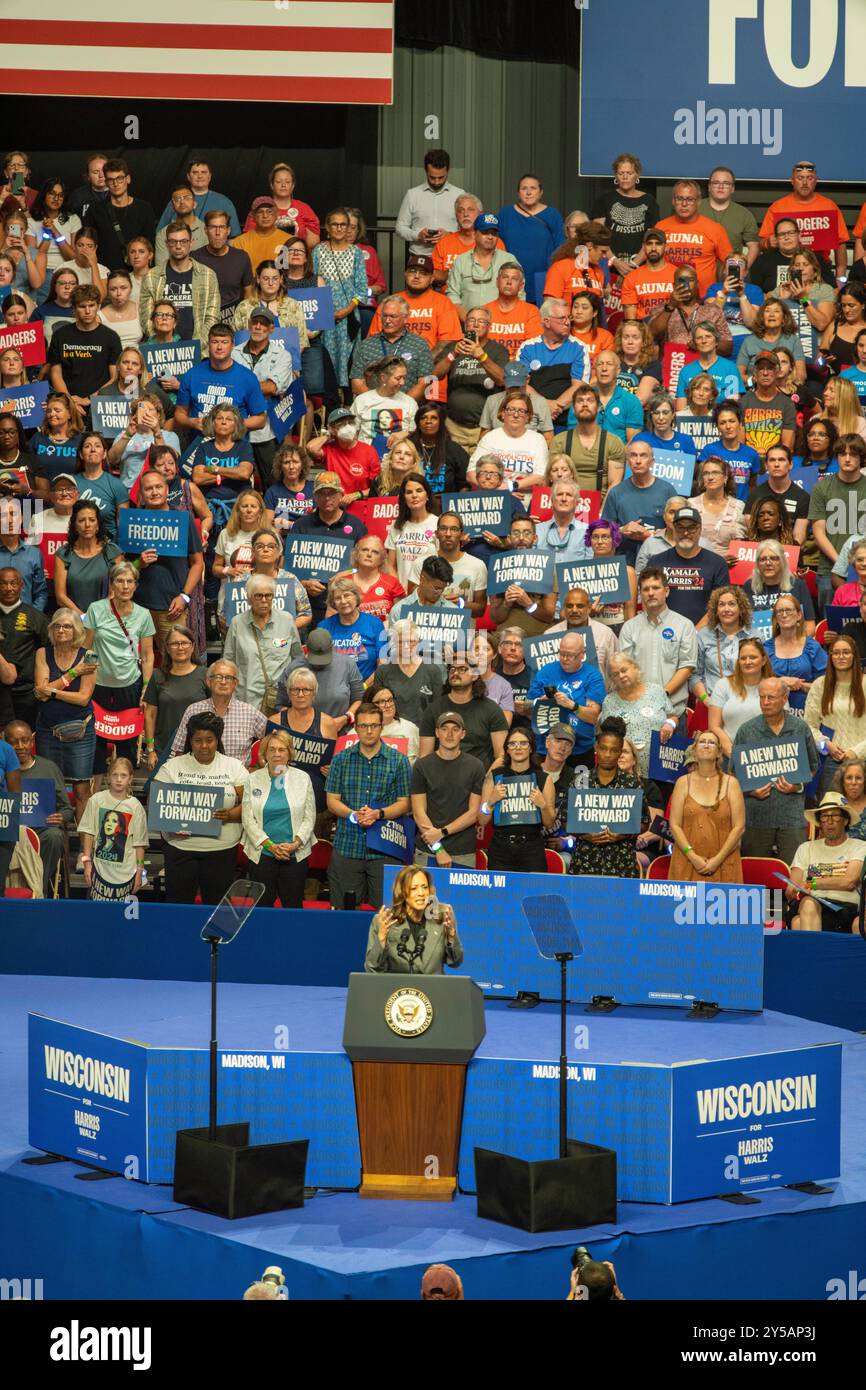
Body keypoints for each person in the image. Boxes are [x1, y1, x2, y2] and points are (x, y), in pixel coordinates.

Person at [155, 711, 249, 905]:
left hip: (222, 851)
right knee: (178, 908)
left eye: (209, 740)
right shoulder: (172, 766)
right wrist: (169, 824)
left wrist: (231, 815)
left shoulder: (234, 766)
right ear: (190, 740)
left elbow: (251, 805)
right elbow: (156, 804)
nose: (204, 746)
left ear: (217, 740)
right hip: (180, 850)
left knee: (215, 909)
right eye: (198, 740)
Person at [326, 699, 412, 910]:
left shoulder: (399, 761)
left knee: (389, 914)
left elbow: (405, 803)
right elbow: (332, 801)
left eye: (374, 725)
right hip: (348, 846)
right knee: (345, 913)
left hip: (385, 848)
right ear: (356, 728)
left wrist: (378, 814)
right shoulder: (341, 760)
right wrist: (354, 815)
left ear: (382, 727)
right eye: (364, 726)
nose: (369, 731)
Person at [79, 560, 154, 776]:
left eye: (130, 581)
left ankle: (125, 788)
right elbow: (87, 648)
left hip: (130, 685)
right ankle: (97, 791)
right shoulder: (96, 609)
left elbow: (148, 656)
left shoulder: (144, 614)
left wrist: (145, 688)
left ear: (136, 586)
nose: (125, 586)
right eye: (120, 581)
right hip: (99, 685)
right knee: (97, 740)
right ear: (111, 584)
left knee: (128, 742)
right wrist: (86, 681)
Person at [731, 676, 819, 860]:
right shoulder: (746, 731)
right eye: (762, 697)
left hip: (791, 816)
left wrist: (798, 786)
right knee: (755, 875)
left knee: (794, 874)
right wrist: (750, 790)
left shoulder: (800, 728)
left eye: (770, 697)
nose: (765, 702)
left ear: (785, 699)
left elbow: (812, 767)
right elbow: (732, 774)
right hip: (757, 816)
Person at [126, 470, 204, 651]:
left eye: (158, 487)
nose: (154, 492)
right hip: (136, 606)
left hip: (171, 607)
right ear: (141, 494)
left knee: (173, 660)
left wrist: (184, 596)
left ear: (167, 490)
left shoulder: (182, 520)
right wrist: (139, 564)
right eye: (148, 489)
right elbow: (120, 566)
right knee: (134, 661)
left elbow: (197, 563)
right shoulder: (132, 521)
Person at [33, 611, 97, 821]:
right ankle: (53, 841)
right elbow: (38, 695)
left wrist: (51, 691)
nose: (61, 630)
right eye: (57, 626)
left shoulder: (88, 655)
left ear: (77, 630)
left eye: (67, 626)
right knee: (47, 786)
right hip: (47, 731)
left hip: (80, 731)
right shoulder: (43, 653)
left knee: (81, 790)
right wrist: (73, 673)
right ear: (51, 629)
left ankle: (84, 844)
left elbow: (83, 699)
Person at [242, 729, 316, 909]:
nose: (277, 754)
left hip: (294, 854)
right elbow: (248, 819)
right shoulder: (252, 779)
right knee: (261, 908)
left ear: (289, 752)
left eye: (282, 749)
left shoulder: (303, 778)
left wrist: (295, 844)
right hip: (263, 854)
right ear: (265, 753)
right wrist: (270, 846)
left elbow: (310, 816)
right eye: (272, 749)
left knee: (292, 906)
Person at [567, 716, 646, 880]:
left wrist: (623, 835)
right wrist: (584, 835)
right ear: (596, 748)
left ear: (619, 752)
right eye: (603, 748)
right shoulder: (581, 781)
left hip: (621, 862)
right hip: (585, 861)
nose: (608, 754)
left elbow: (644, 822)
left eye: (614, 750)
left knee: (621, 904)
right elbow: (567, 820)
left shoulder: (632, 784)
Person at [3, 718, 75, 896]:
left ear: (32, 741)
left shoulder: (48, 768)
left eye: (25, 740)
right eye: (13, 742)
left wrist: (61, 816)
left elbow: (67, 809)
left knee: (54, 835)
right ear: (5, 744)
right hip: (8, 830)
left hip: (39, 828)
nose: (20, 746)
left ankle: (37, 889)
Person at [619, 567, 697, 726]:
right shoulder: (629, 628)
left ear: (666, 591)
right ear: (640, 595)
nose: (651, 593)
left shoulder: (684, 625)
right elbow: (624, 668)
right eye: (646, 589)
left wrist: (661, 694)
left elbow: (687, 667)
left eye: (656, 588)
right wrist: (644, 697)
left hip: (673, 712)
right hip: (636, 709)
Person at [410, 710, 484, 869]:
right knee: (424, 894)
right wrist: (439, 848)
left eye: (455, 729)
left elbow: (473, 814)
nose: (449, 734)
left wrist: (442, 832)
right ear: (437, 733)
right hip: (428, 850)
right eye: (444, 729)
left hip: (463, 852)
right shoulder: (422, 766)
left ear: (463, 734)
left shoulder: (475, 766)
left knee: (461, 895)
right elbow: (418, 813)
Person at [668, 730, 745, 882]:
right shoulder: (682, 782)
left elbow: (739, 827)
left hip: (724, 864)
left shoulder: (732, 783)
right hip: (686, 862)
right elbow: (674, 825)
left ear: (719, 752)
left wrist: (717, 859)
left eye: (711, 743)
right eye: (702, 742)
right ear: (695, 750)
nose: (706, 745)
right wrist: (692, 856)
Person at [289, 473, 366, 622]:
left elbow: (365, 566)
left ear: (340, 494)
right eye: (321, 493)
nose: (327, 498)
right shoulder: (301, 525)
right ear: (314, 497)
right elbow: (289, 568)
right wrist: (304, 583)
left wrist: (347, 574)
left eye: (331, 493)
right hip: (307, 606)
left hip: (346, 605)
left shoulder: (357, 526)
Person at [786, 792, 866, 934]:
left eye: (835, 815)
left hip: (844, 909)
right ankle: (817, 955)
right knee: (808, 905)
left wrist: (811, 883)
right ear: (819, 821)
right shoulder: (806, 848)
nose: (829, 821)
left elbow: (848, 882)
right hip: (808, 905)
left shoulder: (859, 847)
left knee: (799, 923)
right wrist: (793, 891)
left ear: (845, 820)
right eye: (824, 816)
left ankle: (813, 954)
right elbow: (793, 887)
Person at [479, 726, 555, 873]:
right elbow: (482, 819)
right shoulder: (494, 776)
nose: (518, 748)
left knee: (533, 894)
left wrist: (543, 805)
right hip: (501, 848)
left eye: (523, 743)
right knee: (501, 895)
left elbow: (550, 822)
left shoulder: (544, 778)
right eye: (512, 744)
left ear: (531, 747)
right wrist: (491, 802)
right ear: (506, 749)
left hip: (532, 848)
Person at [223, 574, 302, 715]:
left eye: (268, 595)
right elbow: (228, 664)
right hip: (247, 700)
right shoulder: (237, 623)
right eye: (258, 596)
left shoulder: (287, 620)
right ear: (249, 598)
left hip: (280, 702)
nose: (264, 600)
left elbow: (298, 659)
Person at [267, 667, 340, 819]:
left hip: (315, 801)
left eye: (306, 690)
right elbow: (263, 758)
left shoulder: (328, 723)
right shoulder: (275, 721)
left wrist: (332, 770)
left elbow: (336, 763)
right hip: (281, 799)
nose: (300, 694)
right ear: (288, 692)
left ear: (314, 693)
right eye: (295, 689)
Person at [759, 161, 849, 284]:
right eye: (800, 178)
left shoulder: (829, 206)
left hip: (820, 266)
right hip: (784, 265)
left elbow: (841, 243)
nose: (805, 183)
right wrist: (768, 243)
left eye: (809, 178)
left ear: (816, 180)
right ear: (792, 180)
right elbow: (762, 244)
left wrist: (840, 279)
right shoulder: (777, 207)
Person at [172, 322, 267, 437]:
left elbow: (261, 419)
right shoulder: (192, 374)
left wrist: (235, 423)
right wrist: (191, 422)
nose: (219, 347)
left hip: (234, 445)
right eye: (215, 342)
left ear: (232, 345)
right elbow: (179, 413)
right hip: (199, 444)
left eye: (224, 342)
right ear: (209, 344)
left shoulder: (247, 378)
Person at [364, 865, 462, 974]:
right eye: (414, 888)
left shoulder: (442, 917)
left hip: (434, 988)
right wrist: (381, 938)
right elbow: (372, 968)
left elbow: (455, 962)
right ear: (402, 893)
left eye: (425, 887)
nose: (421, 893)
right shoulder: (385, 922)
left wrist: (451, 937)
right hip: (400, 989)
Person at [433, 307, 508, 448]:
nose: (475, 324)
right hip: (454, 426)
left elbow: (502, 379)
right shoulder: (454, 347)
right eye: (471, 320)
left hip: (486, 427)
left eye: (481, 321)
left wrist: (482, 356)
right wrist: (453, 355)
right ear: (466, 325)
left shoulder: (498, 350)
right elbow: (435, 375)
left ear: (488, 326)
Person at [524, 632, 605, 761]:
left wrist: (572, 705)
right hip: (546, 747)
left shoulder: (592, 676)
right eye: (562, 654)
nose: (565, 658)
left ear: (582, 655)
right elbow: (525, 708)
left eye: (570, 655)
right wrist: (538, 703)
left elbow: (593, 717)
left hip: (579, 749)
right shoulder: (546, 671)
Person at [418, 653, 508, 770]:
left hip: (480, 779)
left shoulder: (491, 709)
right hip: (441, 778)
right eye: (452, 669)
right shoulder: (433, 709)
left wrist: (487, 781)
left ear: (475, 676)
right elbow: (425, 756)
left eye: (462, 669)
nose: (455, 673)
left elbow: (501, 756)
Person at [312, 207, 367, 391]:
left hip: (348, 316)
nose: (339, 228)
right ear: (327, 227)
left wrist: (347, 310)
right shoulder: (318, 251)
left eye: (343, 225)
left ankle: (348, 403)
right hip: (324, 316)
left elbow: (361, 289)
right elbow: (312, 282)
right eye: (334, 224)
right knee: (326, 359)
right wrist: (326, 312)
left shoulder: (356, 253)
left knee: (349, 360)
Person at [78, 757, 147, 901]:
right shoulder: (96, 800)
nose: (119, 779)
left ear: (130, 778)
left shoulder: (136, 807)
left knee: (122, 919)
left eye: (123, 775)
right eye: (115, 775)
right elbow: (88, 833)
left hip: (126, 874)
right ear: (108, 777)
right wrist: (86, 863)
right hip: (99, 871)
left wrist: (139, 873)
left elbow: (139, 844)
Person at [805, 633, 866, 795]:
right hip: (831, 762)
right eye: (836, 653)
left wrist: (856, 752)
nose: (841, 657)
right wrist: (826, 746)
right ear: (830, 657)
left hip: (863, 760)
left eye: (846, 652)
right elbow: (809, 727)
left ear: (854, 655)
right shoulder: (820, 685)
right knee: (832, 815)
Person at [600, 438, 677, 566]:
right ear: (628, 462)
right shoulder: (616, 492)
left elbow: (679, 527)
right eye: (633, 456)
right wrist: (622, 530)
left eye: (643, 456)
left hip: (660, 558)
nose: (638, 460)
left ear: (652, 462)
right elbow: (603, 531)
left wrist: (650, 535)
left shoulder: (667, 490)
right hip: (625, 559)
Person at [653, 505, 729, 628]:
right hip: (664, 632)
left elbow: (720, 604)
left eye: (692, 528)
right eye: (680, 528)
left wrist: (695, 632)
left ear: (700, 529)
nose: (686, 532)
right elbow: (649, 600)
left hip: (705, 635)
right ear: (673, 529)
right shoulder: (656, 562)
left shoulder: (717, 564)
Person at [142, 624, 208, 766]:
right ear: (167, 647)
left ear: (192, 646)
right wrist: (150, 749)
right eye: (174, 643)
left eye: (184, 643)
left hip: (198, 750)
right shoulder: (157, 676)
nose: (180, 647)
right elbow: (150, 715)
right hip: (164, 750)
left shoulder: (205, 675)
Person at [47, 285, 121, 410]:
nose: (87, 311)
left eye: (91, 305)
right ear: (74, 308)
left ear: (98, 306)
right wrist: (70, 402)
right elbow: (55, 373)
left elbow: (114, 377)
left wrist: (90, 399)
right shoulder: (60, 335)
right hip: (67, 403)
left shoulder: (111, 337)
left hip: (101, 402)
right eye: (82, 306)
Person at [496, 174, 565, 305]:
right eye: (524, 188)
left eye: (533, 188)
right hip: (511, 278)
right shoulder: (506, 214)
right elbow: (497, 246)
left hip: (543, 278)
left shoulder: (552, 215)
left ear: (541, 192)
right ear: (518, 192)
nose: (528, 192)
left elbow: (560, 250)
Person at [277, 628, 364, 732]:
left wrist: (345, 719)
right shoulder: (293, 668)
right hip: (303, 733)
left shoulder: (347, 664)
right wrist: (298, 721)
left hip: (340, 731)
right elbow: (280, 705)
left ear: (332, 648)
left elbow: (359, 699)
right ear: (307, 649)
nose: (319, 664)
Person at [350, 295, 434, 403]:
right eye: (384, 316)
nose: (387, 321)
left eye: (393, 316)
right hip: (372, 408)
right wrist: (379, 404)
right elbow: (357, 383)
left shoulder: (419, 345)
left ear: (405, 318)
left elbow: (424, 382)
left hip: (407, 409)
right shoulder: (366, 345)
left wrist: (402, 405)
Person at [517, 298, 590, 422]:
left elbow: (579, 386)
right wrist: (545, 406)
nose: (568, 322)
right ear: (547, 322)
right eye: (562, 318)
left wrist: (554, 408)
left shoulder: (579, 348)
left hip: (567, 420)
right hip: (533, 418)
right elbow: (521, 384)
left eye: (569, 317)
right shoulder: (527, 348)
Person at [547, 382, 626, 495]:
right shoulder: (559, 441)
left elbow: (614, 484)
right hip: (566, 504)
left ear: (598, 407)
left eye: (590, 400)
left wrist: (602, 512)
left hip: (601, 506)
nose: (585, 404)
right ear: (573, 408)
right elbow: (552, 481)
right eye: (580, 401)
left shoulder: (613, 442)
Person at [600, 654, 672, 776]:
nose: (621, 676)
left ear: (635, 667)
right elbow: (607, 737)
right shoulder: (609, 701)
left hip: (659, 768)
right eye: (616, 674)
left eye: (624, 670)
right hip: (625, 772)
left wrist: (670, 724)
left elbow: (673, 716)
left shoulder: (656, 691)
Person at [467, 391, 548, 493]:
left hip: (525, 500)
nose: (515, 415)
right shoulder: (490, 438)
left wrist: (510, 487)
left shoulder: (537, 440)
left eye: (521, 411)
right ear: (502, 413)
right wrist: (497, 491)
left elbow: (541, 477)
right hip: (493, 497)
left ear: (528, 416)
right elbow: (471, 474)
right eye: (511, 410)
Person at [591, 153, 660, 272]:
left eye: (629, 173)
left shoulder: (649, 201)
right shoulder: (604, 200)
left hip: (640, 266)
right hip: (609, 266)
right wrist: (614, 261)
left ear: (637, 175)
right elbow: (598, 237)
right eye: (621, 173)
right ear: (615, 176)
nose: (625, 177)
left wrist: (634, 264)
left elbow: (651, 239)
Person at [408, 512, 487, 615]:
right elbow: (410, 604)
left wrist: (460, 603)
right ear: (436, 534)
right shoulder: (420, 563)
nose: (448, 534)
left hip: (462, 630)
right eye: (443, 528)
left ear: (462, 534)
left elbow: (480, 610)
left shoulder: (477, 565)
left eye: (454, 529)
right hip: (426, 629)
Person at [53, 500, 122, 617]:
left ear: (98, 525)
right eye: (81, 520)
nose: (87, 525)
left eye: (92, 520)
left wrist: (97, 618)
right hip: (73, 619)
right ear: (74, 525)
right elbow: (60, 596)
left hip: (106, 618)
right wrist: (83, 618)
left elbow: (116, 591)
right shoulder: (63, 554)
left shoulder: (113, 552)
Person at [708, 638, 773, 760]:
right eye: (743, 658)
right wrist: (732, 752)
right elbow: (714, 726)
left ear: (763, 660)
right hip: (730, 755)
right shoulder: (723, 685)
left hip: (767, 758)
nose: (747, 662)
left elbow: (782, 724)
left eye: (753, 657)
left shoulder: (774, 686)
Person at [0, 566, 49, 728]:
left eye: (13, 584)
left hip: (25, 693)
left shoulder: (37, 618)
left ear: (22, 586)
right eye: (3, 584)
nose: (8, 588)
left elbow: (46, 657)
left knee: (25, 739)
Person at [446, 213, 520, 319]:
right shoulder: (461, 261)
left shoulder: (509, 259)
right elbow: (452, 295)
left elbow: (520, 294)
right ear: (475, 234)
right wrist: (468, 318)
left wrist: (510, 320)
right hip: (468, 323)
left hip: (502, 324)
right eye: (485, 232)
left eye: (494, 234)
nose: (490, 237)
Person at [650, 264, 733, 359]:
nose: (686, 284)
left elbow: (728, 347)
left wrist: (702, 344)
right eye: (681, 280)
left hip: (703, 368)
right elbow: (652, 334)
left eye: (691, 280)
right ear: (674, 285)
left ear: (697, 284)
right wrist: (671, 305)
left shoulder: (712, 310)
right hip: (672, 367)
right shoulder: (663, 309)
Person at [690, 585, 755, 705]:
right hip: (711, 703)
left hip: (745, 702)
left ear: (741, 609)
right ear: (716, 610)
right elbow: (694, 675)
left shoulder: (754, 635)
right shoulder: (703, 636)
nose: (726, 609)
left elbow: (762, 673)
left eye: (731, 604)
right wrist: (706, 700)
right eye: (721, 604)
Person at [395, 151, 465, 259]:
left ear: (448, 170)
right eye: (432, 177)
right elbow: (400, 227)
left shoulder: (459, 195)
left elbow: (468, 229)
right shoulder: (412, 194)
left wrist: (450, 236)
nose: (437, 182)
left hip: (450, 258)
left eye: (441, 177)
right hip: (419, 258)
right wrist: (417, 235)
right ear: (425, 171)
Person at [764, 594, 827, 716]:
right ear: (775, 617)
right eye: (780, 611)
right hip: (773, 711)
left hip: (808, 710)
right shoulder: (766, 648)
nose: (784, 614)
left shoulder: (812, 647)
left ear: (799, 615)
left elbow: (826, 684)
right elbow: (757, 683)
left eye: (788, 610)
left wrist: (801, 685)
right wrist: (781, 682)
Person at [88, 158, 155, 269]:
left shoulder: (144, 208)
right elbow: (90, 244)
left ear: (128, 179)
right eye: (110, 180)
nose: (115, 184)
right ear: (106, 182)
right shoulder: (95, 210)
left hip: (137, 272)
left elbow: (149, 245)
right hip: (105, 273)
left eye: (119, 178)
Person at [375, 619, 444, 726]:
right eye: (401, 642)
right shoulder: (383, 671)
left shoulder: (433, 671)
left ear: (419, 641)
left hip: (423, 733)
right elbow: (377, 709)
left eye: (411, 641)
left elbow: (437, 711)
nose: (406, 646)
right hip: (392, 734)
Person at [191, 209, 253, 323]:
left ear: (228, 230)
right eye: (213, 227)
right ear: (205, 230)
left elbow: (248, 293)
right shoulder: (194, 258)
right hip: (203, 319)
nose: (217, 232)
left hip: (233, 319)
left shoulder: (241, 257)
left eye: (222, 227)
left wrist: (244, 318)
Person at [319, 577, 385, 681]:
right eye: (338, 598)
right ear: (333, 603)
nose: (343, 601)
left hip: (368, 687)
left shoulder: (375, 624)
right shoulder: (324, 627)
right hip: (334, 688)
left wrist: (364, 687)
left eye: (347, 595)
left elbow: (382, 664)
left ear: (356, 596)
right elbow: (319, 666)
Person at [743, 442, 810, 544]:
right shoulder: (755, 495)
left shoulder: (802, 497)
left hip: (790, 551)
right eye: (772, 460)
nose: (777, 464)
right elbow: (751, 533)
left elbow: (799, 537)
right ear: (766, 465)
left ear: (790, 465)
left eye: (781, 460)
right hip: (760, 551)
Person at [384, 474, 439, 587]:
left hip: (429, 595)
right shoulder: (397, 525)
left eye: (419, 490)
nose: (414, 495)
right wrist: (399, 591)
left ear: (427, 495)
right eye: (409, 492)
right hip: (401, 594)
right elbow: (390, 566)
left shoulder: (438, 524)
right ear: (404, 498)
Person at [334, 535, 405, 620]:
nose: (369, 554)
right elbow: (331, 616)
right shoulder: (342, 582)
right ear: (356, 555)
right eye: (365, 550)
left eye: (375, 552)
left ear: (382, 559)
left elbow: (401, 618)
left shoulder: (392, 583)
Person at [739, 351, 797, 455]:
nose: (765, 373)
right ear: (755, 373)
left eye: (770, 368)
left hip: (775, 462)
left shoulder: (787, 404)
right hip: (749, 461)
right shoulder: (743, 402)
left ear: (777, 372)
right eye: (761, 369)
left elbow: (787, 446)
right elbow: (739, 445)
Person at [483, 262, 543, 361]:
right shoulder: (484, 311)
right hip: (489, 365)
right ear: (497, 281)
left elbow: (533, 348)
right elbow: (480, 347)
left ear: (521, 285)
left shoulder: (531, 311)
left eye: (514, 279)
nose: (509, 282)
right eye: (505, 277)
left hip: (520, 366)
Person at [408, 401, 470, 494]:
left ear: (441, 422)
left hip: (446, 504)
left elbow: (465, 484)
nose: (428, 421)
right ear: (418, 423)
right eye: (423, 418)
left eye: (434, 418)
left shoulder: (453, 449)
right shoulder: (409, 447)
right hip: (415, 503)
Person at [353, 356, 418, 444]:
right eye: (398, 378)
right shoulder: (362, 400)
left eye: (404, 378)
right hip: (368, 455)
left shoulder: (409, 403)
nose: (403, 382)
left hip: (398, 454)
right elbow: (352, 433)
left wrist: (406, 434)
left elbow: (417, 432)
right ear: (383, 378)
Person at [262, 442, 317, 532]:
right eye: (286, 462)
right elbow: (268, 527)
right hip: (281, 540)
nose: (291, 467)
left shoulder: (313, 489)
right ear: (281, 466)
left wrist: (289, 525)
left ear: (302, 465)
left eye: (295, 462)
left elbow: (315, 525)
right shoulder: (272, 492)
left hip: (307, 540)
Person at [367, 684, 420, 762]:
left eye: (390, 700)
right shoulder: (359, 730)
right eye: (382, 702)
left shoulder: (410, 729)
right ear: (369, 705)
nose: (388, 705)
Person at [832, 758, 866, 841]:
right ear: (842, 781)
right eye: (849, 778)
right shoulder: (834, 805)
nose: (853, 782)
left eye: (858, 778)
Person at [831, 535, 866, 606]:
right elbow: (835, 617)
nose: (864, 563)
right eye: (860, 560)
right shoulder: (842, 592)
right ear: (854, 564)